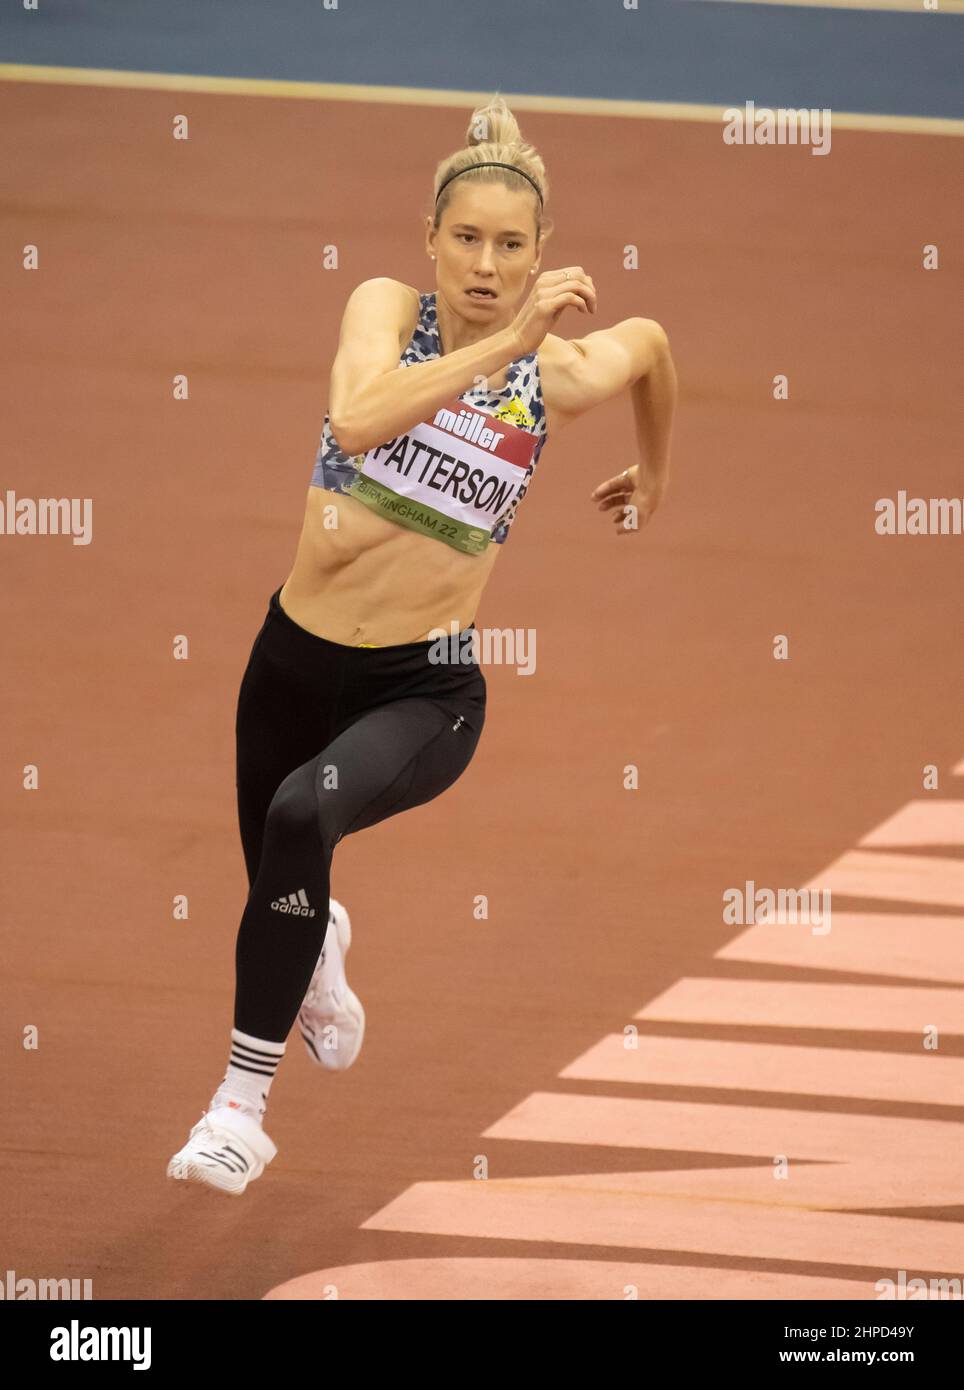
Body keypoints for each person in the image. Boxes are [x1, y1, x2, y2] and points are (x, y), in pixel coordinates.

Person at [167, 95, 677, 1195]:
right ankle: (324, 954)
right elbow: (356, 423)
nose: (486, 264)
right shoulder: (384, 311)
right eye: (466, 238)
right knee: (284, 889)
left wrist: (657, 474)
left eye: (510, 246)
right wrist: (503, 345)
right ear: (428, 239)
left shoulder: (556, 374)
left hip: (424, 690)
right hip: (290, 663)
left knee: (304, 814)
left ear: (540, 255)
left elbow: (651, 348)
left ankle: (239, 1110)